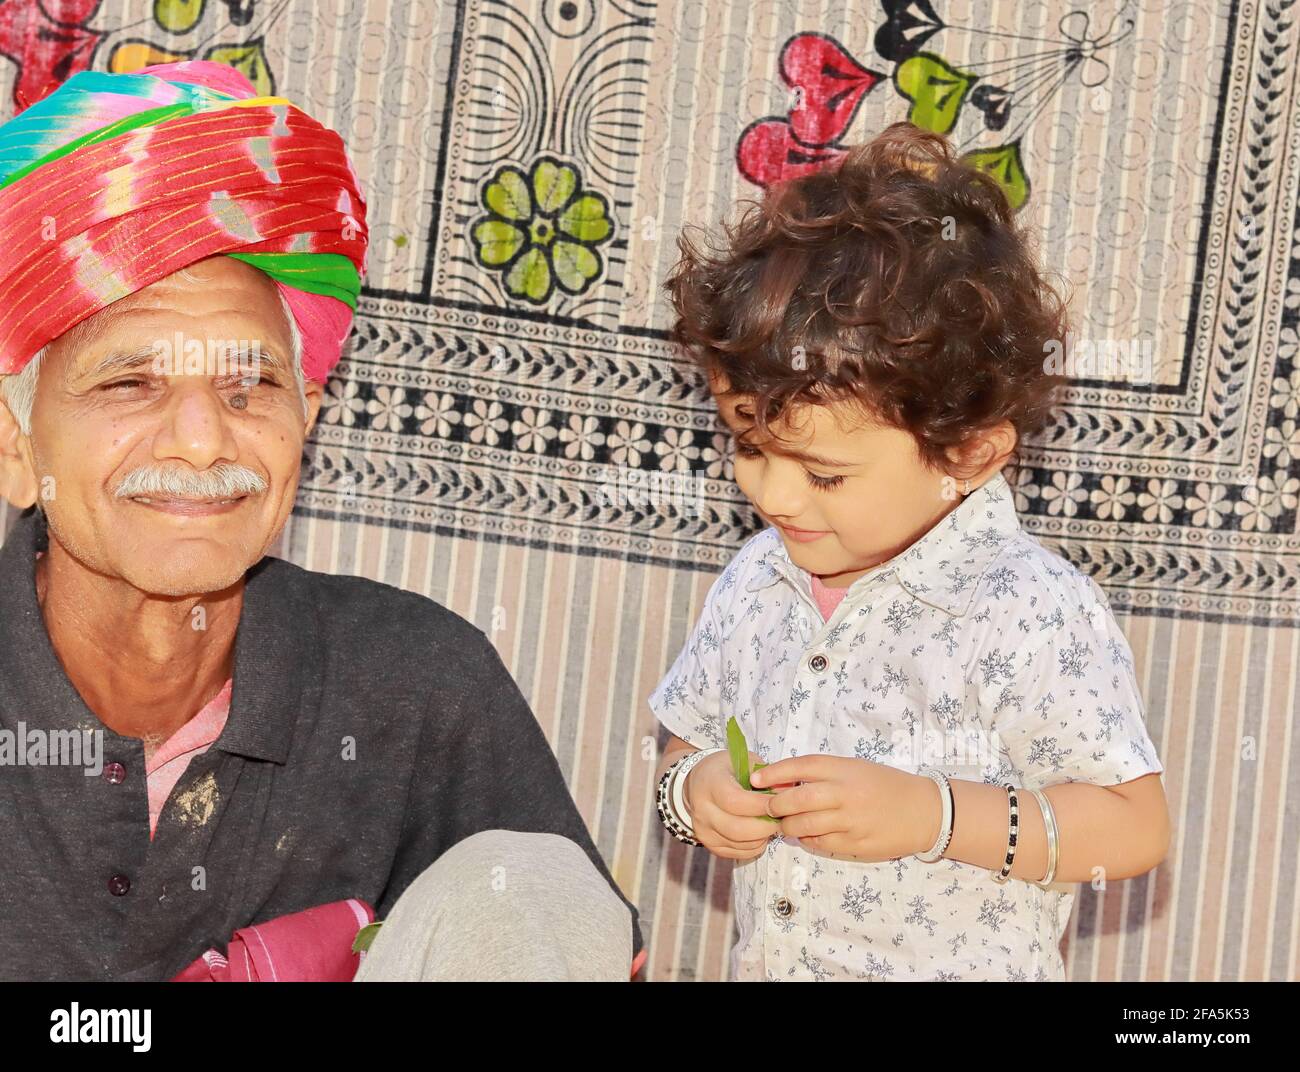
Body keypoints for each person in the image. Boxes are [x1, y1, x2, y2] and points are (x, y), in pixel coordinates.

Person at [0, 60, 642, 982]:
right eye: (131, 382)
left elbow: (561, 943)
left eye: (249, 385)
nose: (198, 440)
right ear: (18, 444)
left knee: (531, 881)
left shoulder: (417, 684)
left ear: (305, 420)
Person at [649, 121, 1170, 982]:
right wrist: (694, 792)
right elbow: (684, 741)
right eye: (749, 448)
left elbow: (1133, 828)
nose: (774, 499)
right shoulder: (758, 578)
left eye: (824, 474)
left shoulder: (1028, 609)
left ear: (966, 455)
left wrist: (934, 816)